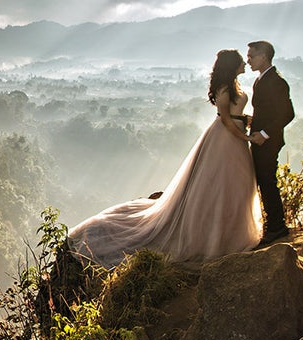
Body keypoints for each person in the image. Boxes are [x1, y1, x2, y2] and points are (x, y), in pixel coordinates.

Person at [67, 49, 263, 268]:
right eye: (241, 62)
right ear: (232, 65)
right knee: (222, 184)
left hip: (233, 136)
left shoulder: (233, 85)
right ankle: (217, 236)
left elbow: (233, 115)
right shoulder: (225, 88)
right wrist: (244, 136)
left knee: (237, 183)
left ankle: (229, 231)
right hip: (227, 138)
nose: (245, 63)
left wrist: (244, 120)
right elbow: (225, 119)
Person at [246, 40, 295, 245]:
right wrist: (252, 121)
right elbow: (265, 111)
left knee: (267, 183)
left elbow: (288, 114)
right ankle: (273, 225)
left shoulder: (276, 81)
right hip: (259, 139)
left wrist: (264, 134)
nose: (248, 60)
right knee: (263, 181)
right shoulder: (260, 79)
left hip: (268, 141)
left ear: (264, 56)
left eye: (251, 56)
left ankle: (277, 227)